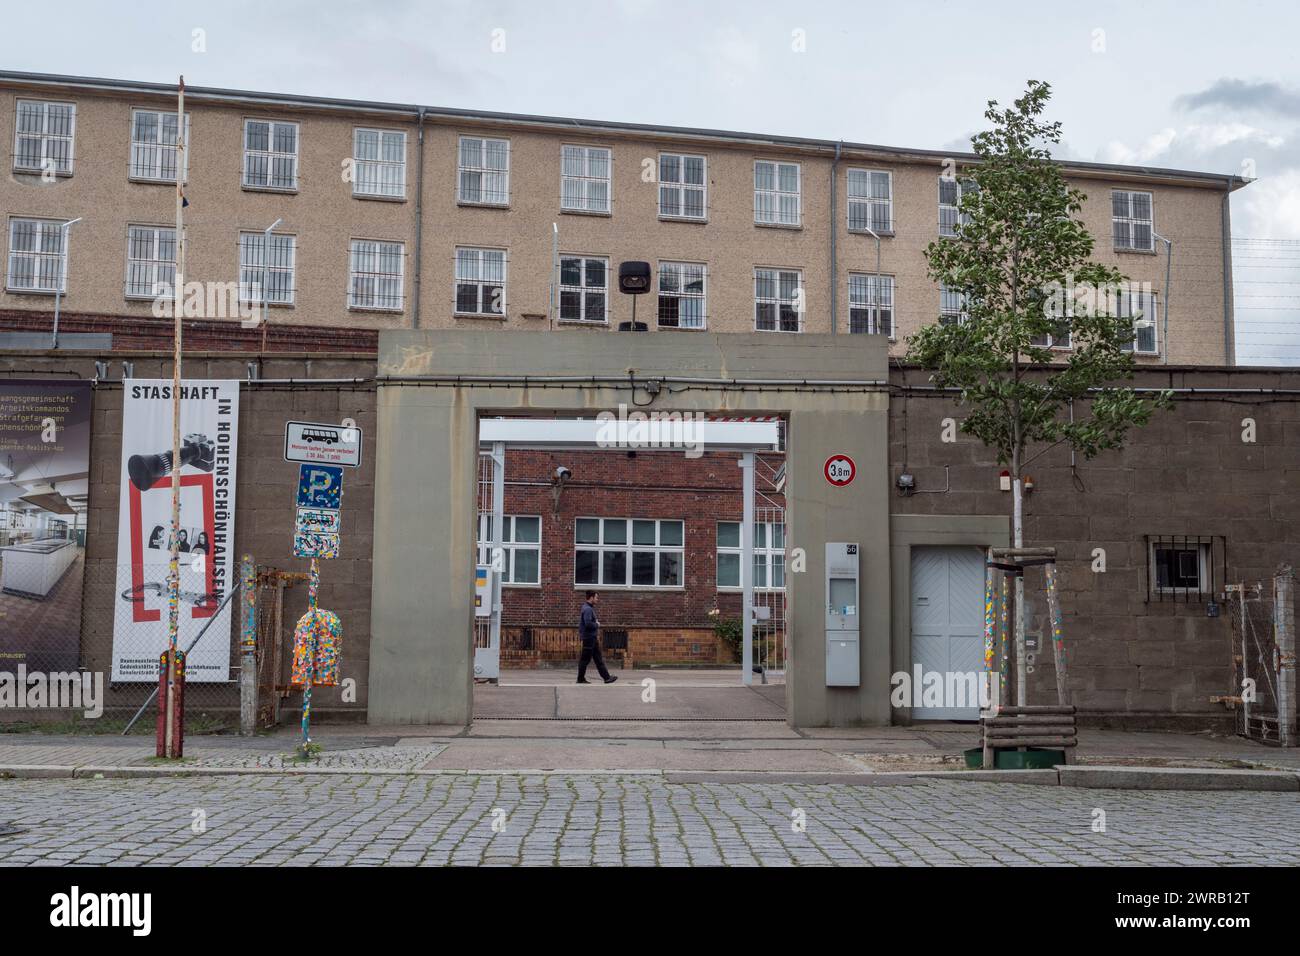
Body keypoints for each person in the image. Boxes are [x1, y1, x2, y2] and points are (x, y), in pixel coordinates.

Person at [577, 590, 617, 685]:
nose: (597, 599)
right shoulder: (588, 609)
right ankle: (580, 678)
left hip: (591, 638)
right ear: (591, 598)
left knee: (598, 659)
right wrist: (597, 624)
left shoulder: (587, 608)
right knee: (585, 660)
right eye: (596, 597)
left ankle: (607, 678)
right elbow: (587, 624)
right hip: (589, 638)